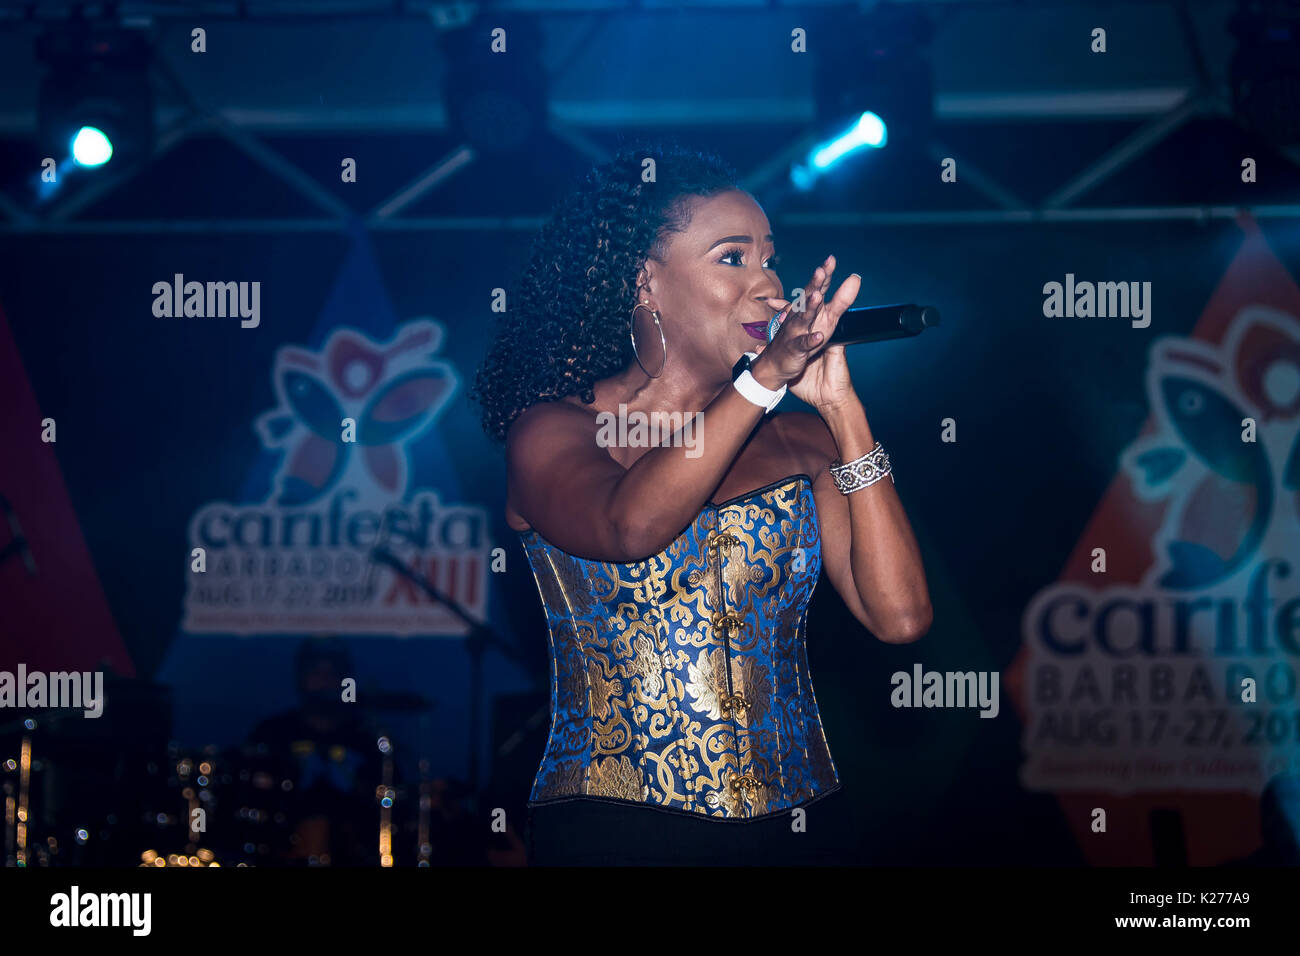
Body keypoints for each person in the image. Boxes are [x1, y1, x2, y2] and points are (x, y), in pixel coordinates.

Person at [472, 142, 932, 865]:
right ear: (644, 282)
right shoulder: (553, 430)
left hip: (801, 826)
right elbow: (631, 526)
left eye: (770, 258)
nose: (767, 283)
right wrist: (763, 383)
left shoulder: (801, 443)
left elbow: (899, 617)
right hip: (623, 832)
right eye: (732, 258)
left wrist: (843, 412)